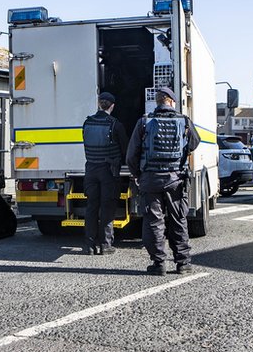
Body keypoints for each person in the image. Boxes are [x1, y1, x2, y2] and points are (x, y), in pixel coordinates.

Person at [126, 87, 200, 275]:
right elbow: (194, 142)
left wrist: (137, 175)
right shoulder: (183, 121)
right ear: (172, 102)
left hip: (150, 179)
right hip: (176, 179)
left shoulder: (145, 121)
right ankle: (183, 263)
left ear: (157, 102)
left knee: (154, 222)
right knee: (178, 220)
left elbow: (131, 154)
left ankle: (159, 264)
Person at [82, 91, 129, 255]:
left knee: (92, 207)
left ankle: (89, 245)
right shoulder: (115, 124)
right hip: (108, 171)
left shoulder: (87, 123)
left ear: (99, 104)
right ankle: (105, 245)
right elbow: (125, 149)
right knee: (107, 207)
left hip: (90, 170)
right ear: (112, 106)